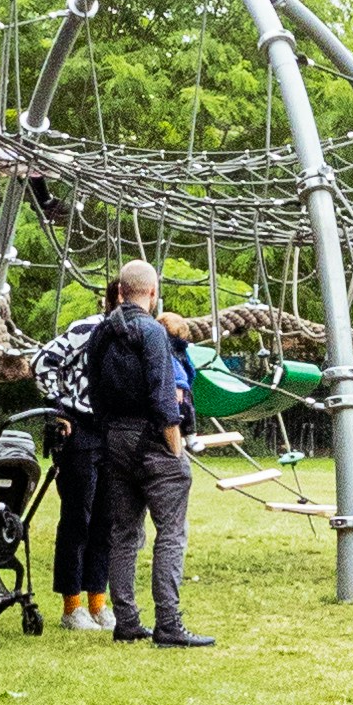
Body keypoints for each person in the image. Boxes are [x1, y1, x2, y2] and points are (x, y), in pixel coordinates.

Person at [87, 260, 212, 647]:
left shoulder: (100, 334)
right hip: (153, 439)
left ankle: (126, 620)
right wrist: (176, 449)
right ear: (153, 294)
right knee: (171, 533)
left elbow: (93, 392)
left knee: (124, 533)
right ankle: (169, 624)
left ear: (120, 291)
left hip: (113, 438)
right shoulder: (152, 334)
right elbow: (163, 395)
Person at [32, 284, 115, 633]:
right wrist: (59, 407)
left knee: (106, 519)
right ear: (111, 301)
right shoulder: (88, 330)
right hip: (79, 429)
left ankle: (99, 601)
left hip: (113, 431)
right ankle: (72, 605)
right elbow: (41, 362)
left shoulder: (135, 335)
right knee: (77, 518)